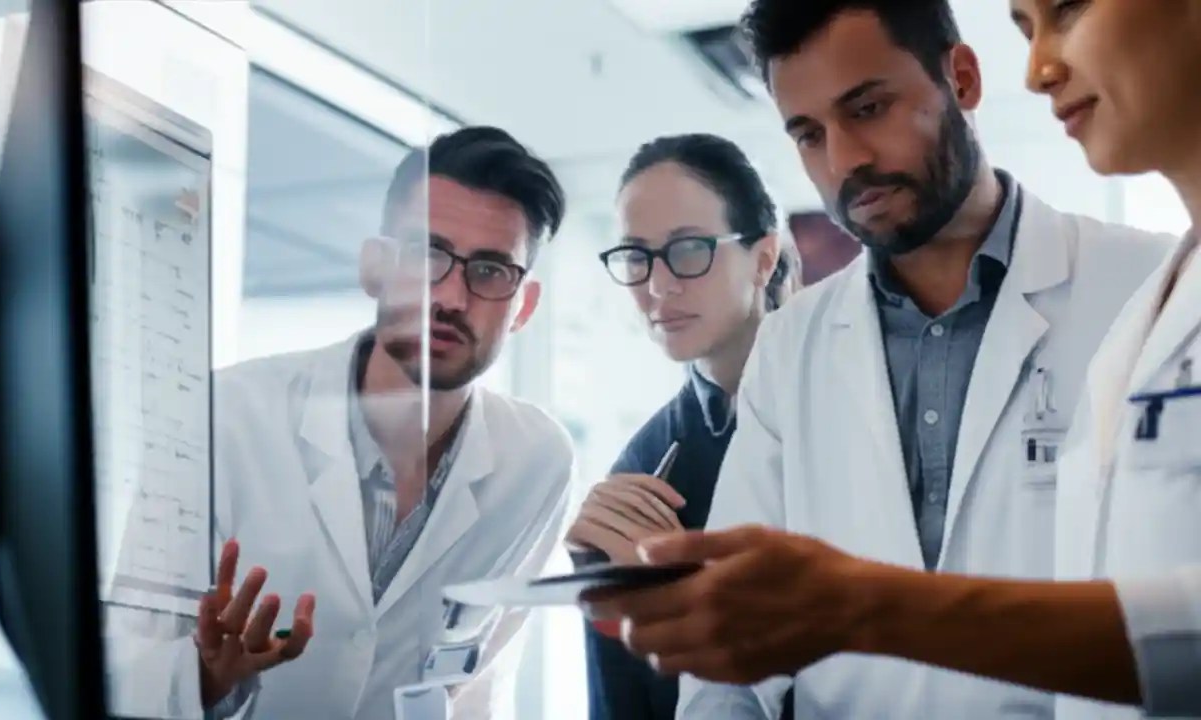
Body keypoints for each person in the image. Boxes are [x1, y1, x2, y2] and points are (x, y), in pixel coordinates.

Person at [591, 2, 1201, 719]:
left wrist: (864, 606)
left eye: (870, 107)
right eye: (809, 134)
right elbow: (728, 665)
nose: (845, 160)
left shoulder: (1142, 287)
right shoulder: (789, 348)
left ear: (964, 80)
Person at [110, 126, 574, 720]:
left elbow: (482, 683)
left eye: (490, 271)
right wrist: (203, 678)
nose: (452, 296)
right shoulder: (224, 415)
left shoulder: (537, 463)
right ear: (375, 267)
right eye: (427, 255)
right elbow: (121, 670)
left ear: (524, 307)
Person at [564, 134, 801, 720]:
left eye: (689, 249)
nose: (657, 287)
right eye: (636, 257)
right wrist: (597, 573)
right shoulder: (643, 468)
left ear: (763, 258)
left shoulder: (852, 409)